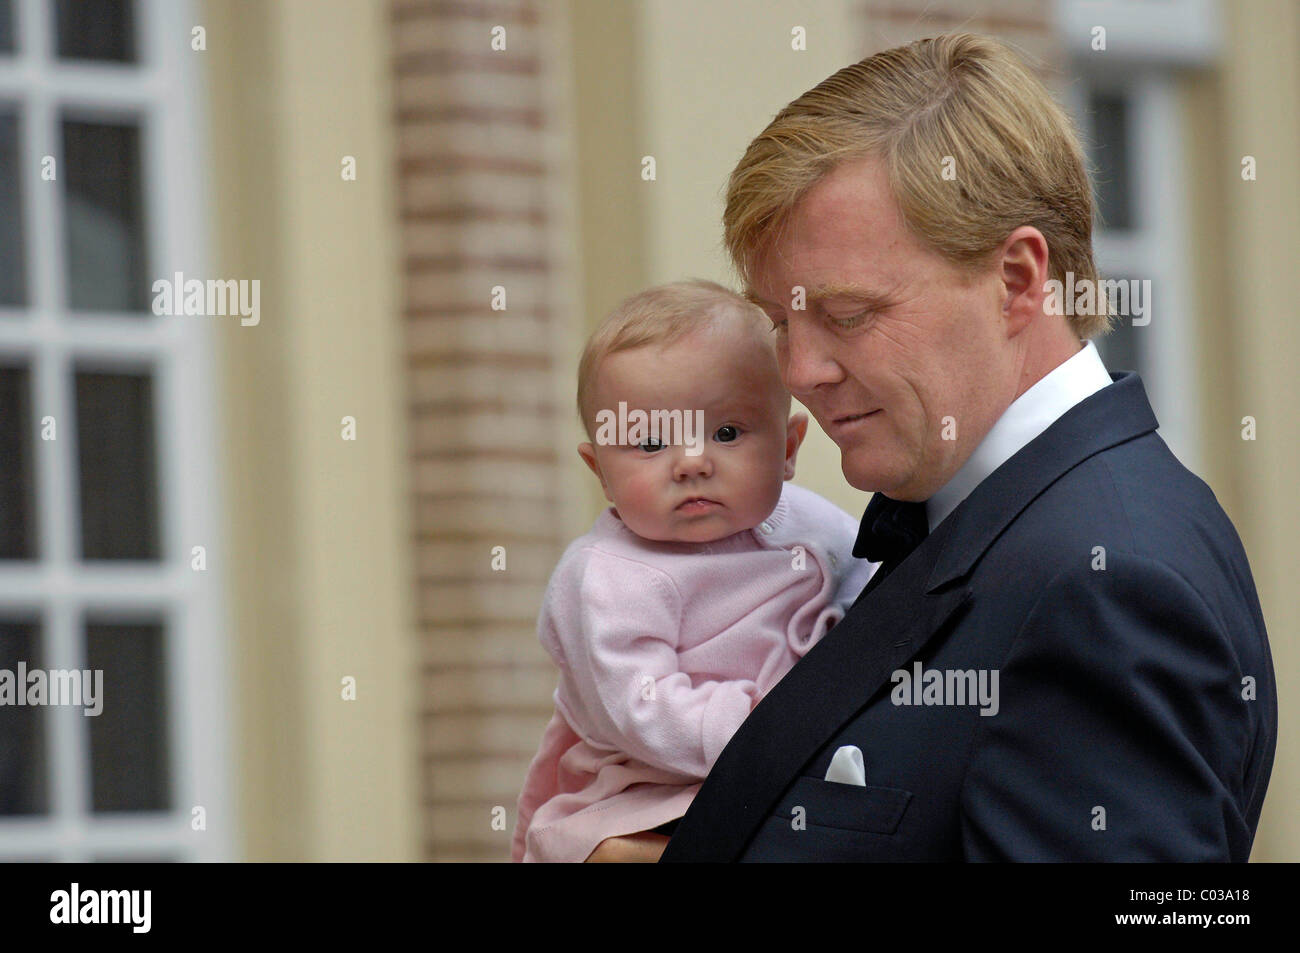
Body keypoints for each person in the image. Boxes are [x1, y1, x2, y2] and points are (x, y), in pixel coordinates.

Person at [597, 32, 1276, 862]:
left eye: (847, 315)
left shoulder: (1106, 580)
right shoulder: (999, 523)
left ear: (1019, 279)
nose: (801, 370)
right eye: (779, 323)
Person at [511, 279, 876, 862]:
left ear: (788, 448)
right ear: (598, 469)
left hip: (791, 770)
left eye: (727, 432)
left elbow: (871, 594)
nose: (691, 462)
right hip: (651, 791)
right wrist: (771, 726)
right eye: (650, 442)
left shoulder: (812, 523)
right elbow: (642, 710)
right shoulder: (608, 576)